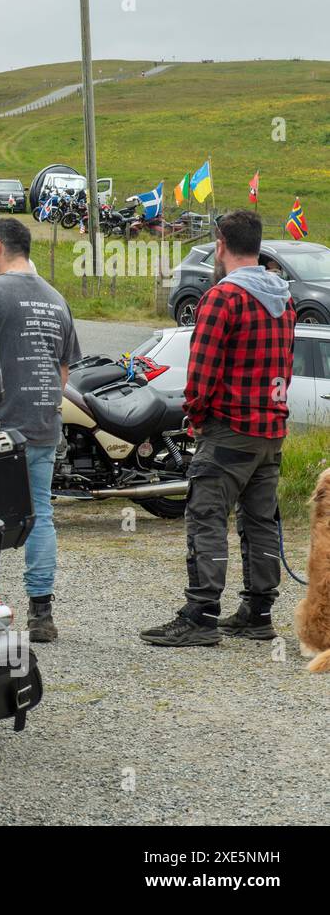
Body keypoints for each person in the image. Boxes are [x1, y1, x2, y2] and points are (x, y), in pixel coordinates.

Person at [141, 210, 296, 647]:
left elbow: (202, 371)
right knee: (260, 521)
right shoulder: (283, 299)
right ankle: (258, 611)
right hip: (271, 429)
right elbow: (284, 363)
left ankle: (201, 614)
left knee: (207, 516)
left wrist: (195, 414)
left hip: (229, 429)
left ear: (220, 244)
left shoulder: (222, 298)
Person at [0, 216, 80, 642]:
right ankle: (41, 614)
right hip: (43, 425)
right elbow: (63, 370)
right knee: (41, 515)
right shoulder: (56, 298)